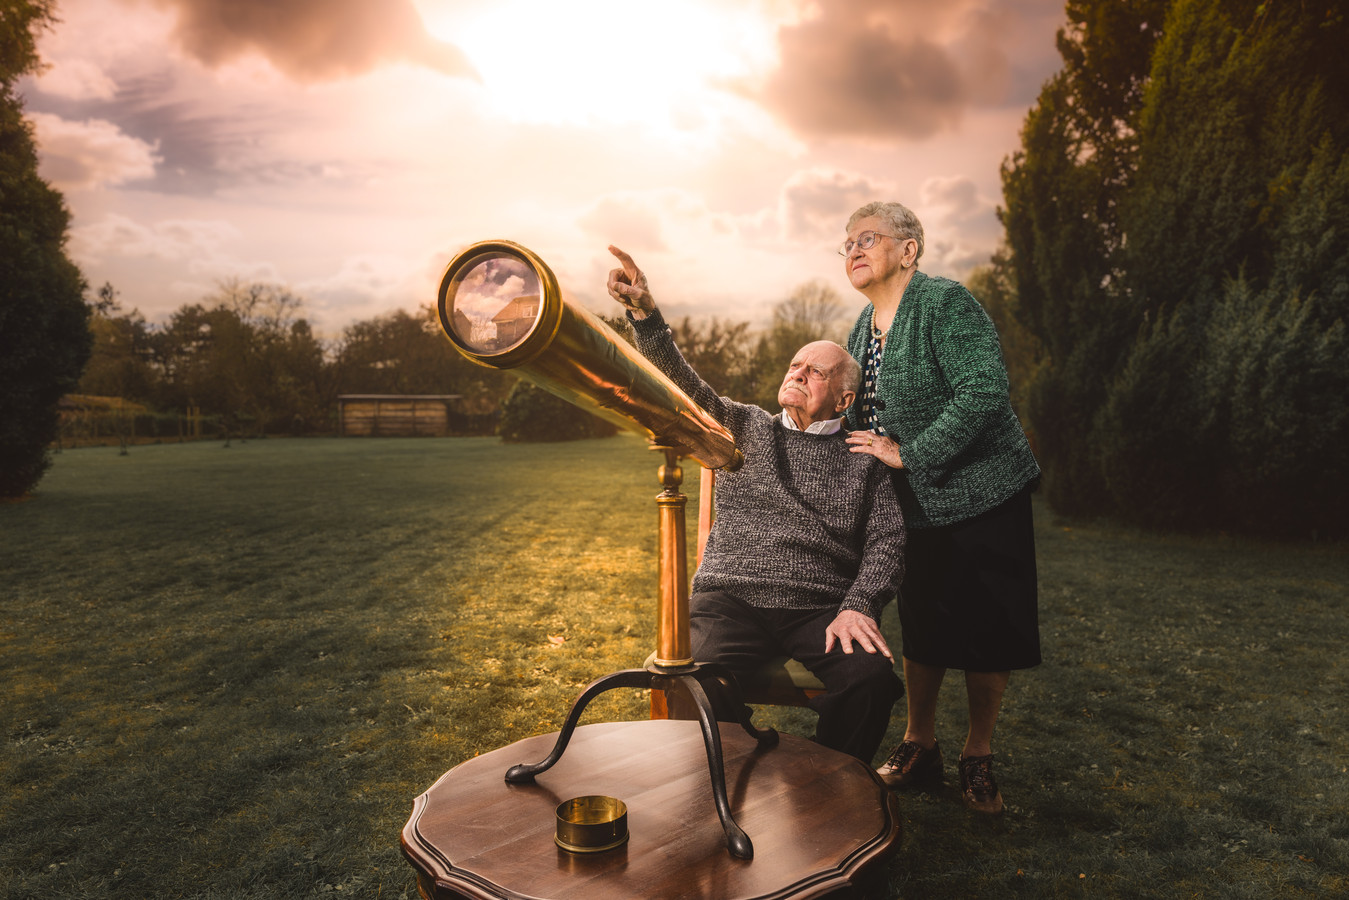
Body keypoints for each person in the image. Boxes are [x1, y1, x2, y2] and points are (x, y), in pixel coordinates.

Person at [606, 244, 905, 763]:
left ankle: (825, 785)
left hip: (818, 607)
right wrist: (645, 314)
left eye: (815, 370)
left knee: (871, 680)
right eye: (795, 364)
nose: (798, 372)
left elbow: (888, 542)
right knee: (692, 671)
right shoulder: (744, 425)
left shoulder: (864, 459)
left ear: (844, 399)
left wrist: (860, 604)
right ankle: (744, 765)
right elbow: (681, 385)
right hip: (731, 597)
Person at [839, 201, 1041, 815]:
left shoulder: (945, 304)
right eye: (845, 242)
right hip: (915, 511)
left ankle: (977, 755)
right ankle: (918, 743)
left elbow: (984, 390)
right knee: (923, 628)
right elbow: (860, 417)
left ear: (908, 249)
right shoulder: (860, 329)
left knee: (989, 632)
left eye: (867, 237)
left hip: (986, 496)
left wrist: (911, 453)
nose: (853, 248)